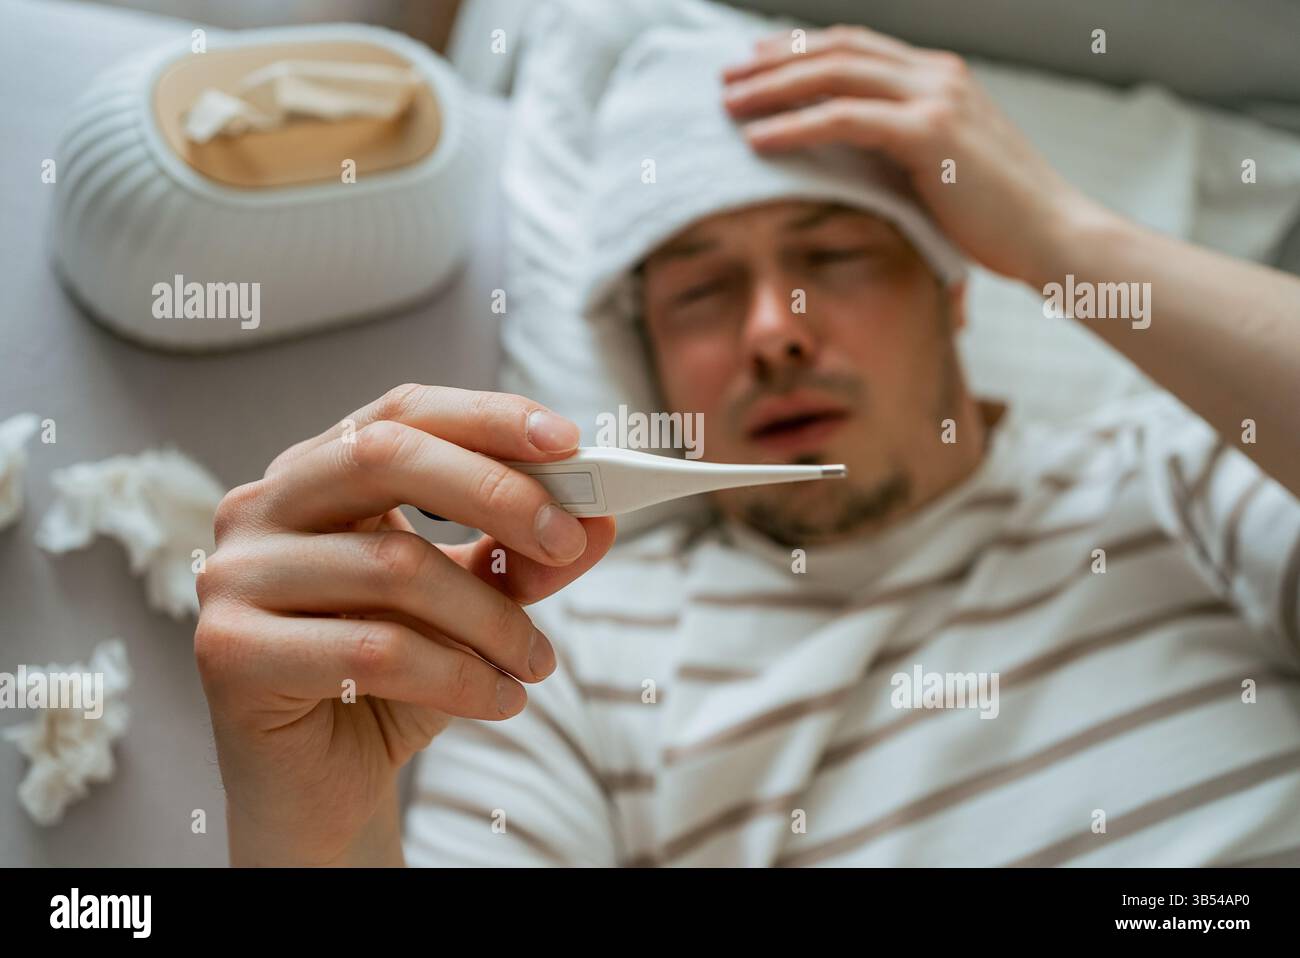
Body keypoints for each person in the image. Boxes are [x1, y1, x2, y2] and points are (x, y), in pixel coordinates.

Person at [195, 25, 1300, 866]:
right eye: (702, 292)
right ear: (652, 361)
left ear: (954, 293)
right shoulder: (555, 650)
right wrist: (311, 814)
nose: (773, 331)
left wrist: (1062, 233)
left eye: (835, 253)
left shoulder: (1176, 468)